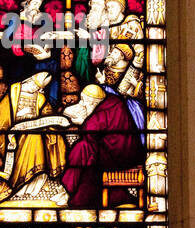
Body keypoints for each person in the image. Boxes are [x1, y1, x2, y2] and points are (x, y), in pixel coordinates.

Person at [62, 46, 145, 209]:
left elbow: (90, 130)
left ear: (95, 101)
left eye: (86, 102)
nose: (83, 105)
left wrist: (80, 123)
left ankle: (70, 191)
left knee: (83, 148)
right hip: (111, 151)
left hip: (120, 156)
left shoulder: (109, 106)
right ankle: (70, 191)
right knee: (85, 149)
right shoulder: (110, 103)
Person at [0, 71, 68, 203]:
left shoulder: (40, 98)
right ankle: (22, 184)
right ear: (28, 80)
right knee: (34, 137)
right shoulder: (12, 94)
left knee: (38, 136)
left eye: (37, 88)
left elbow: (47, 113)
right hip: (15, 135)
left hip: (35, 131)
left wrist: (52, 123)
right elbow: (2, 116)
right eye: (33, 85)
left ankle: (37, 182)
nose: (34, 89)